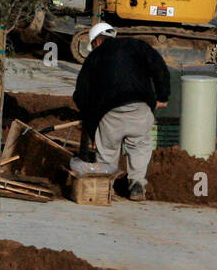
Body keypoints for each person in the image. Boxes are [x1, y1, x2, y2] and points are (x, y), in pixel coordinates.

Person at [71, 22, 171, 201]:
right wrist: (162, 97)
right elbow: (160, 68)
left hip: (110, 112)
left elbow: (81, 92)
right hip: (139, 107)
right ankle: (137, 184)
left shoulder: (95, 57)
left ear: (98, 41)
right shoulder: (137, 46)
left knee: (107, 150)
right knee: (139, 146)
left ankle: (104, 187)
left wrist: (89, 118)